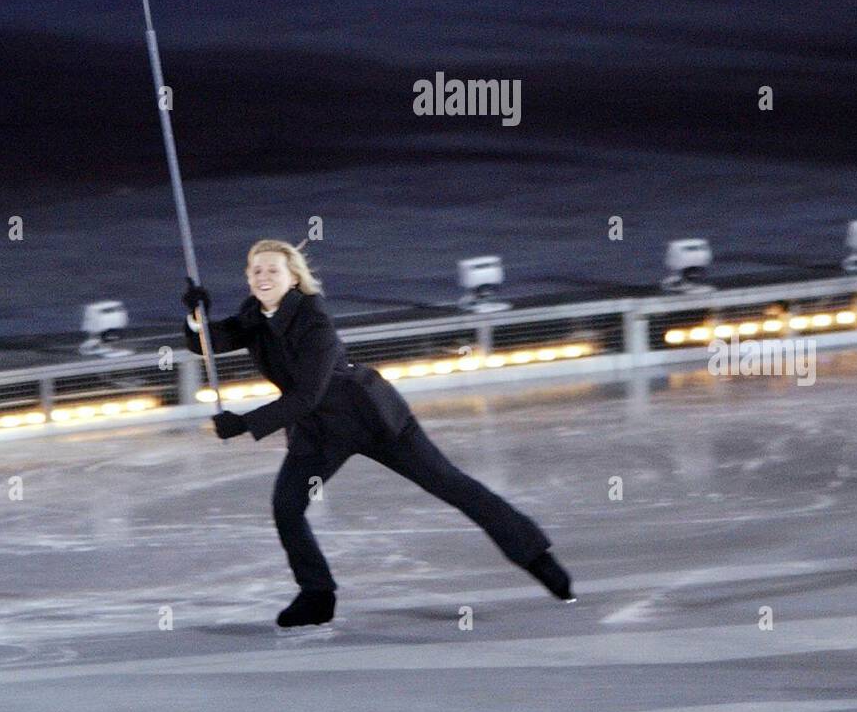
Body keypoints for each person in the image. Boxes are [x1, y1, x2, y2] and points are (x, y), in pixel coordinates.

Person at [181, 239, 575, 628]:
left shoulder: (313, 317)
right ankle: (317, 596)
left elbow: (307, 394)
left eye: (273, 270)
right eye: (256, 271)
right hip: (319, 434)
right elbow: (211, 344)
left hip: (372, 419)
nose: (263, 276)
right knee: (287, 507)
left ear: (293, 278)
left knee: (449, 483)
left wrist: (245, 422)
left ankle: (538, 559)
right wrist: (197, 317)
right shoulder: (255, 314)